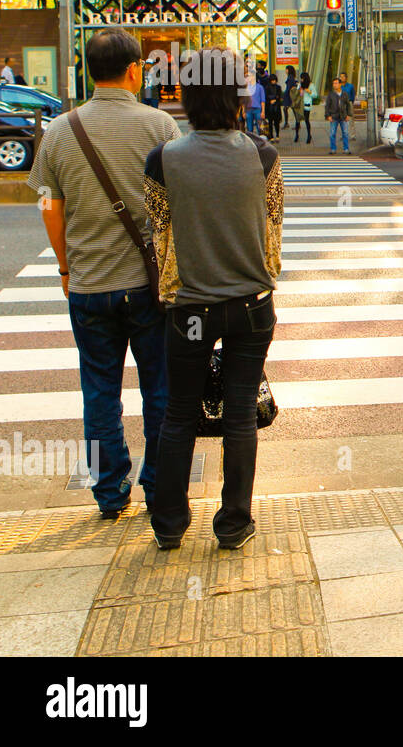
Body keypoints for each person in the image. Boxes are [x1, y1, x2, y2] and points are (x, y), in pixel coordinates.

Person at [27, 27, 181, 518]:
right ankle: (159, 489)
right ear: (135, 69)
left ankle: (110, 494)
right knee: (159, 391)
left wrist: (66, 268)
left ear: (88, 71)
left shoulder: (58, 130)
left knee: (98, 393)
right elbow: (177, 204)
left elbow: (50, 207)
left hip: (90, 286)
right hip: (149, 287)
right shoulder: (160, 127)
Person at [144, 48, 282, 550]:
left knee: (178, 412)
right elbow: (274, 230)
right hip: (251, 304)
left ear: (188, 96)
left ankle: (169, 525)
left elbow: (160, 232)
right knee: (241, 411)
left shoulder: (163, 159)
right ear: (236, 96)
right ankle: (232, 525)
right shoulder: (262, 154)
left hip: (190, 308)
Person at [325, 77, 351, 154]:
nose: (334, 85)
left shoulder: (344, 94)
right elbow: (327, 106)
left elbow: (348, 105)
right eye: (333, 83)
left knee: (345, 133)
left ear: (340, 84)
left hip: (343, 116)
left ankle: (346, 148)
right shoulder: (331, 94)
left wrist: (348, 115)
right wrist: (328, 115)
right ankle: (333, 149)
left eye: (336, 83)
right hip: (334, 116)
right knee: (332, 133)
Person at [293, 73, 313, 143]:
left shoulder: (311, 85)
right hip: (300, 105)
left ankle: (309, 135)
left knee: (306, 120)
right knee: (297, 120)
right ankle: (296, 135)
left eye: (302, 78)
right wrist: (299, 90)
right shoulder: (300, 85)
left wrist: (309, 91)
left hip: (307, 105)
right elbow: (296, 94)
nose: (301, 80)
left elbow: (315, 95)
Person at [263, 72, 283, 142]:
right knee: (270, 123)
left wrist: (276, 100)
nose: (273, 81)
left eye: (274, 80)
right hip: (269, 108)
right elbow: (265, 98)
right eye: (272, 80)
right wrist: (270, 101)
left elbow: (280, 97)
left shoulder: (278, 87)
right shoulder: (267, 88)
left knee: (277, 123)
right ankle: (271, 136)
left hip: (276, 107)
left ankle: (277, 135)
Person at [283, 65, 297, 130]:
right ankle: (296, 123)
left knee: (287, 109)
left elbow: (289, 88)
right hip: (290, 95)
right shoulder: (291, 77)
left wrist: (284, 94)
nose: (285, 71)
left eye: (286, 69)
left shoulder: (290, 78)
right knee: (291, 109)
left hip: (289, 96)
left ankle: (287, 123)